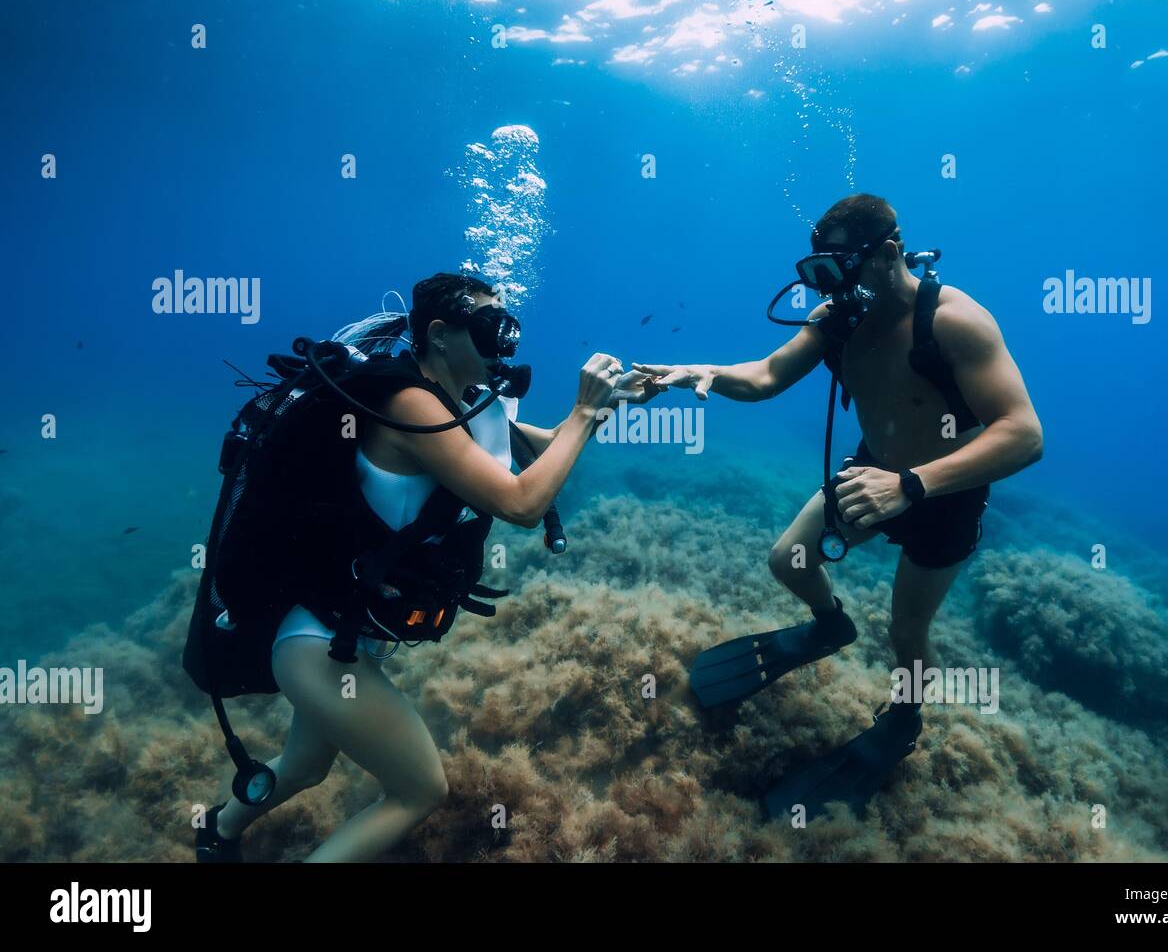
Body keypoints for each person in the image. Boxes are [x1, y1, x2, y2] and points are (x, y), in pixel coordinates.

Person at [196, 273, 653, 861]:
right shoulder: (410, 406)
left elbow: (544, 452)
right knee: (418, 791)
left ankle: (217, 832)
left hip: (342, 629)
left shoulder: (465, 403)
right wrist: (585, 411)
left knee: (307, 767)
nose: (504, 343)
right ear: (439, 334)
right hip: (317, 642)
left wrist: (606, 403)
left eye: (508, 327)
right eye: (491, 328)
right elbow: (521, 502)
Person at [635, 194, 1043, 819]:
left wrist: (909, 485)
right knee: (788, 561)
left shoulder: (956, 321)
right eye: (820, 270)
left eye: (840, 269)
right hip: (871, 473)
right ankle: (830, 623)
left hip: (944, 496)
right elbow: (767, 377)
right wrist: (691, 373)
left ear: (886, 254)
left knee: (906, 629)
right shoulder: (841, 316)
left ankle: (904, 719)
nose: (831, 287)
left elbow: (1022, 434)